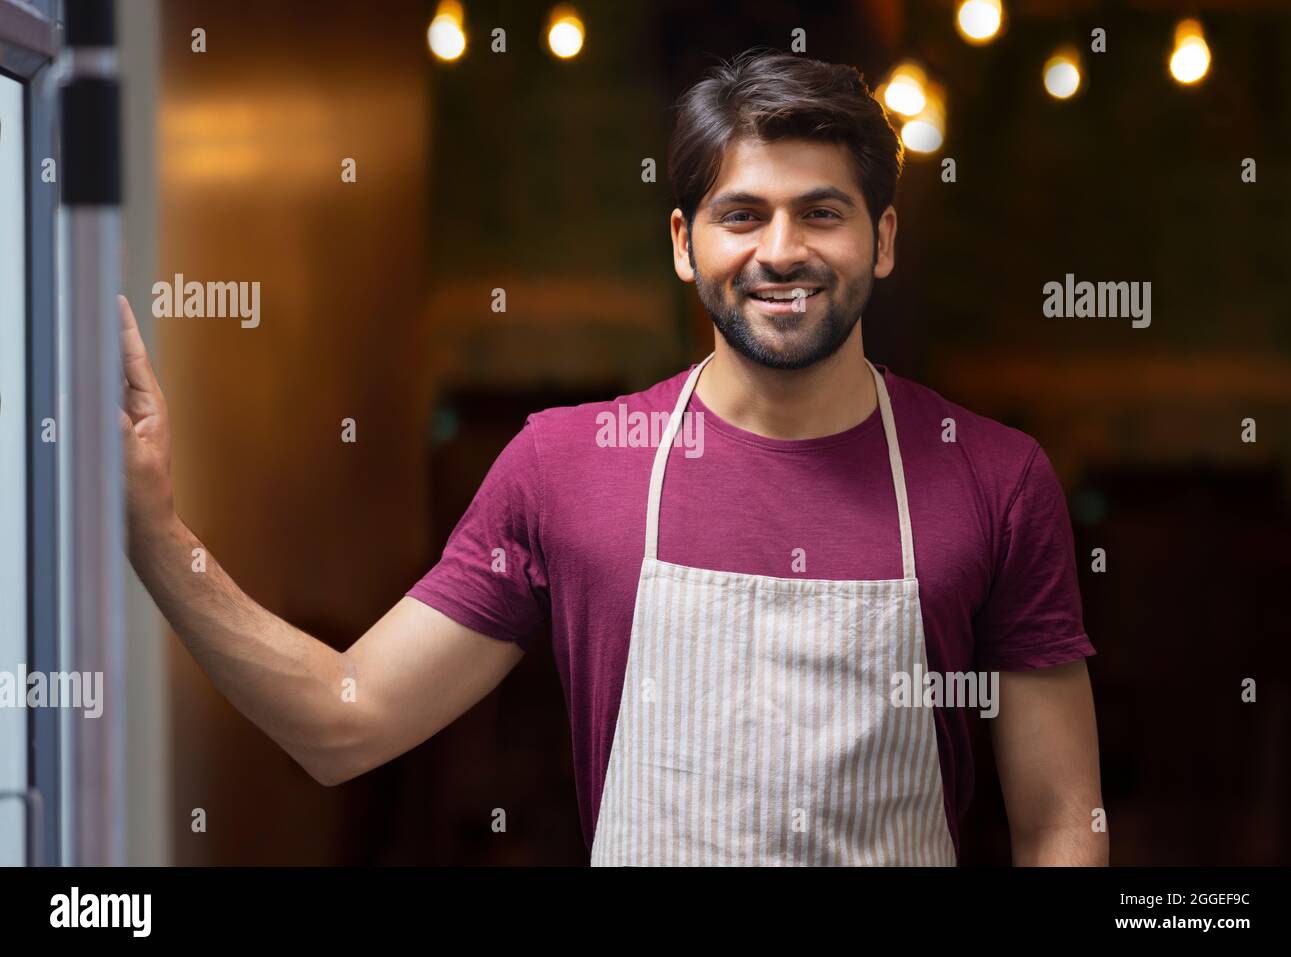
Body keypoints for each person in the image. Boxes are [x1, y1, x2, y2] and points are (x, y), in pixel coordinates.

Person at [122, 48, 1104, 866]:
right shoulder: (567, 466)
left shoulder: (991, 476)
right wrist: (154, 534)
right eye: (741, 214)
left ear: (882, 240)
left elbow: (1062, 819)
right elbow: (343, 724)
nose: (780, 250)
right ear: (683, 244)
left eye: (822, 212)